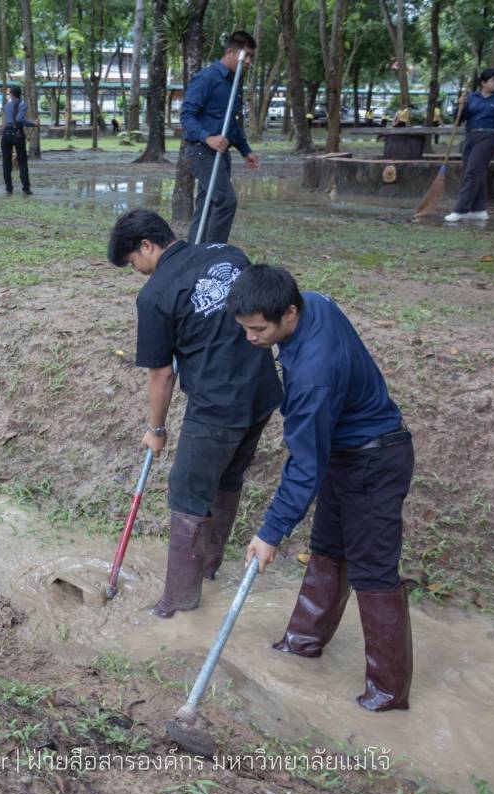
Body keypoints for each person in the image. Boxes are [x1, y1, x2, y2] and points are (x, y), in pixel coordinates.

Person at [228, 265, 415, 712]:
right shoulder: (315, 302)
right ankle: (301, 643)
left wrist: (270, 533)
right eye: (245, 328)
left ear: (289, 313)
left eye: (258, 330)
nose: (250, 338)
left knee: (373, 571)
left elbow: (304, 466)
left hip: (374, 461)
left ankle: (387, 695)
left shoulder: (314, 374)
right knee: (329, 547)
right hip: (343, 451)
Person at [107, 209, 282, 617]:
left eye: (133, 262)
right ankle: (208, 568)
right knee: (227, 478)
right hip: (262, 394)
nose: (137, 272)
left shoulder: (154, 295)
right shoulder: (227, 254)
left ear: (147, 245)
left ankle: (179, 602)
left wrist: (156, 429)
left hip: (216, 408)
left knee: (187, 492)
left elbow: (161, 373)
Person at [180, 31, 260, 244]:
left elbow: (230, 123)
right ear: (230, 52)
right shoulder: (207, 78)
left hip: (221, 153)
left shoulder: (234, 82)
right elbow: (186, 116)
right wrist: (207, 137)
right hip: (201, 151)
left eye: (251, 57)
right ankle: (215, 253)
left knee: (207, 205)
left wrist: (245, 151)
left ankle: (195, 253)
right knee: (226, 201)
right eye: (246, 55)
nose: (249, 62)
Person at [445, 69, 494, 223]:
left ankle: (460, 210)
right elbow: (459, 119)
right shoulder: (471, 97)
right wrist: (460, 105)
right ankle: (479, 210)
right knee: (473, 172)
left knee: (472, 172)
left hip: (489, 136)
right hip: (471, 136)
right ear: (483, 83)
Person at [1, 86, 37, 196]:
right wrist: (33, 124)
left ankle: (8, 188)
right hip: (17, 135)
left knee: (6, 162)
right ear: (20, 94)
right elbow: (19, 119)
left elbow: (4, 122)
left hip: (6, 134)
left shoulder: (6, 105)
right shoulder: (22, 105)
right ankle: (26, 188)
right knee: (22, 162)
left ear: (11, 94)